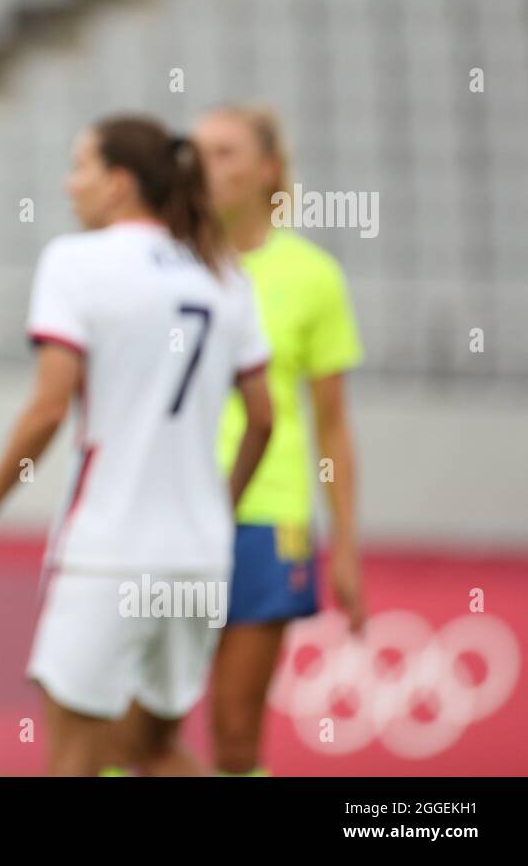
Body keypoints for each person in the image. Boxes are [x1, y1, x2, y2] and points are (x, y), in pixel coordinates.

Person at [0, 115, 272, 776]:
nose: (71, 186)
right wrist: (219, 507)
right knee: (149, 750)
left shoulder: (78, 261)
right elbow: (264, 419)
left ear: (120, 183)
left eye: (81, 168)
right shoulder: (223, 273)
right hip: (199, 559)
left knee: (75, 760)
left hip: (111, 551)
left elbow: (47, 409)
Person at [192, 105, 365, 776]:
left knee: (235, 736)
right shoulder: (167, 264)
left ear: (268, 170)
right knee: (125, 720)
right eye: (197, 151)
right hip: (169, 512)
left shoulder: (313, 276)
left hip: (266, 518)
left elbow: (335, 426)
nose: (206, 166)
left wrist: (345, 544)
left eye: (225, 151)